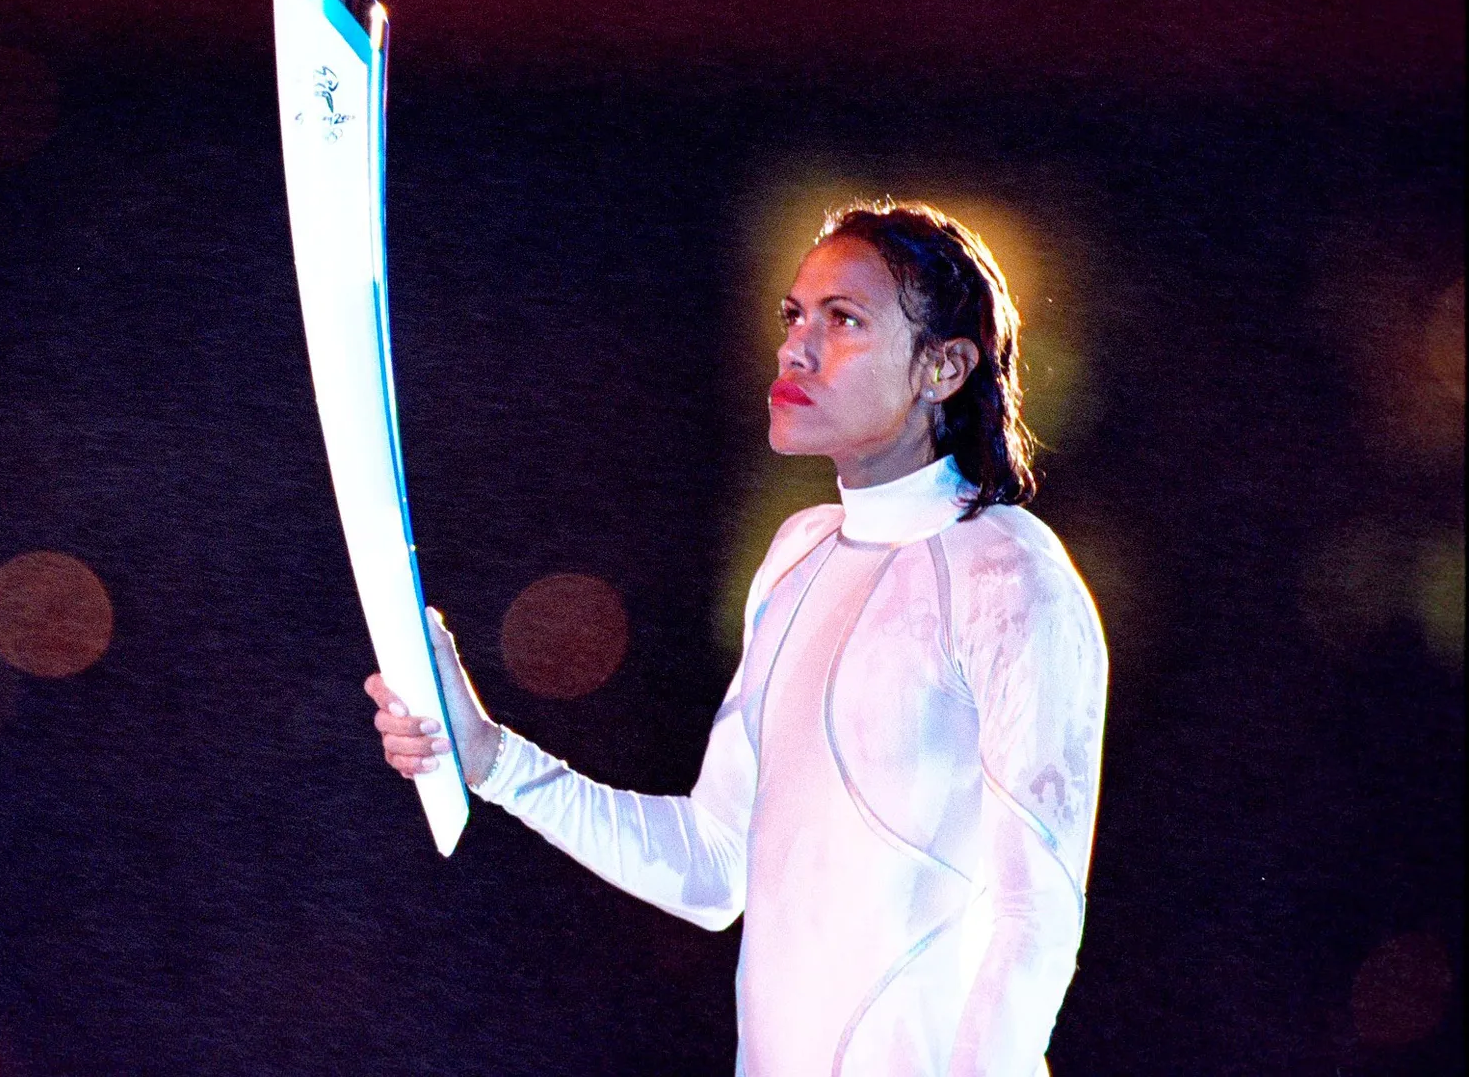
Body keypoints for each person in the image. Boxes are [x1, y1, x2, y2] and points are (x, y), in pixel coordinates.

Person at [368, 201, 1107, 1077]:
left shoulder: (1008, 570)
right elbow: (715, 868)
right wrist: (491, 759)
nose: (796, 349)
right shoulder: (798, 553)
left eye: (844, 320)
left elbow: (1036, 915)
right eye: (794, 316)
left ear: (943, 368)